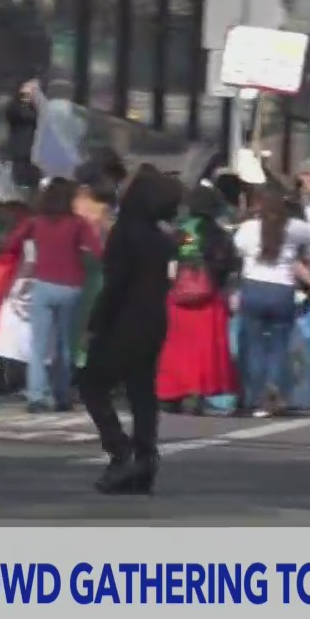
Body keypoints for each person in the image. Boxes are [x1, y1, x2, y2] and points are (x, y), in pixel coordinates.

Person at [79, 171, 182, 495]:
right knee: (142, 390)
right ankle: (146, 456)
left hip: (124, 319)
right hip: (154, 319)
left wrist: (96, 322)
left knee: (92, 383)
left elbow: (115, 285)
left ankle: (120, 451)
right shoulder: (162, 238)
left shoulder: (125, 233)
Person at [1, 179, 102, 413]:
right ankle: (62, 395)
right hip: (71, 288)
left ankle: (37, 395)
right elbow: (98, 252)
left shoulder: (35, 222)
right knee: (65, 345)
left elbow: (10, 243)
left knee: (39, 345)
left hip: (43, 286)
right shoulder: (78, 224)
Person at [233, 181, 310, 417]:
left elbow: (238, 248)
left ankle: (253, 397)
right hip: (282, 290)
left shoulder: (248, 227)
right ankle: (273, 395)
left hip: (253, 286)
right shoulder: (293, 227)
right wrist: (308, 204)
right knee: (278, 346)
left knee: (253, 345)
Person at [155, 185, 239, 413]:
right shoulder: (218, 234)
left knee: (175, 348)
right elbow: (229, 264)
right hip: (208, 299)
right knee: (205, 350)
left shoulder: (177, 232)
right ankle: (200, 391)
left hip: (177, 298)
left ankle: (170, 393)